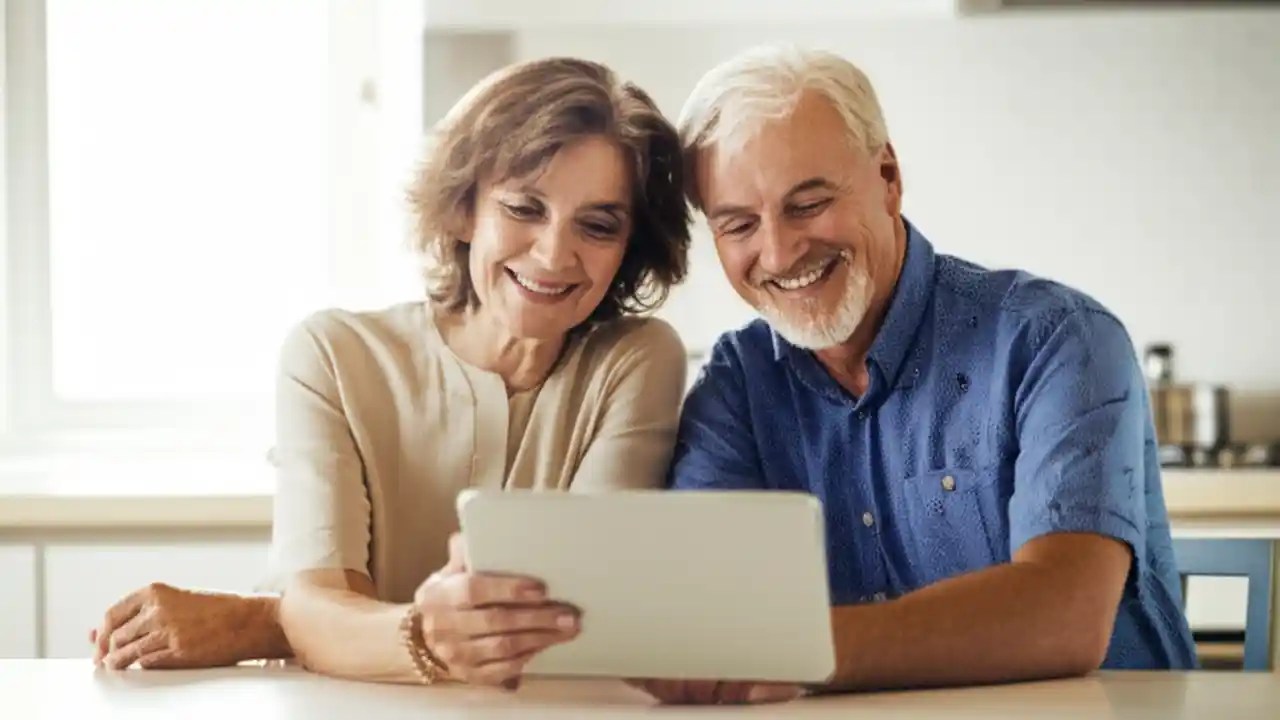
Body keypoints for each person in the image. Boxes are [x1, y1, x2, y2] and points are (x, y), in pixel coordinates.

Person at [89, 57, 692, 689]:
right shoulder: (333, 355)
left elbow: (578, 616)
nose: (553, 253)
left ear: (631, 246)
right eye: (524, 207)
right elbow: (321, 602)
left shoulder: (638, 359)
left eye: (597, 225)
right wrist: (417, 636)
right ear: (464, 210)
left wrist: (275, 621)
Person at [645, 43, 1197, 703]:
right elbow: (701, 614)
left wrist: (789, 651)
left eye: (808, 204)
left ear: (888, 176)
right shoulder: (737, 382)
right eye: (738, 225)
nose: (780, 250)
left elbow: (1064, 616)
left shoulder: (1055, 338)